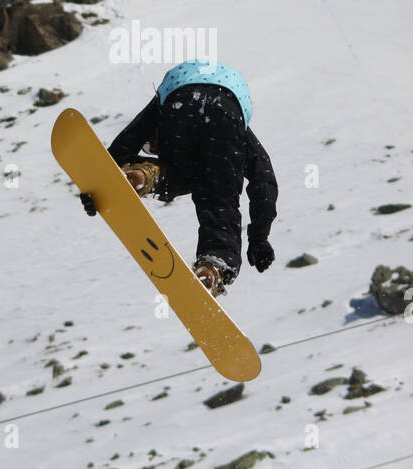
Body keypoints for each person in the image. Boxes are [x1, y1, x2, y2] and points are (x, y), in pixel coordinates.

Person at [79, 59, 278, 295]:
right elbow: (264, 178)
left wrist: (101, 187)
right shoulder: (242, 131)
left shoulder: (159, 110)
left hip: (179, 104)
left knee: (177, 173)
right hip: (225, 116)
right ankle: (212, 268)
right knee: (219, 203)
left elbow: (125, 144)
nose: (153, 149)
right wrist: (258, 237)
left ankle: (145, 174)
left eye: (152, 147)